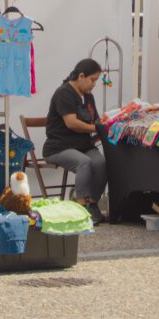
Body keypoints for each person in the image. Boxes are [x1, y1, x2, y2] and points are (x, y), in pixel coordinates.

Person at [44, 58, 108, 210]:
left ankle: (92, 203)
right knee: (84, 162)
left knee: (101, 163)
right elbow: (71, 123)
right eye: (92, 80)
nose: (94, 84)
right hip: (59, 147)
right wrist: (96, 129)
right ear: (81, 76)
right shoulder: (63, 93)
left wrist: (106, 124)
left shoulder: (88, 96)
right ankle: (81, 206)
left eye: (96, 81)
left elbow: (95, 121)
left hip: (83, 145)